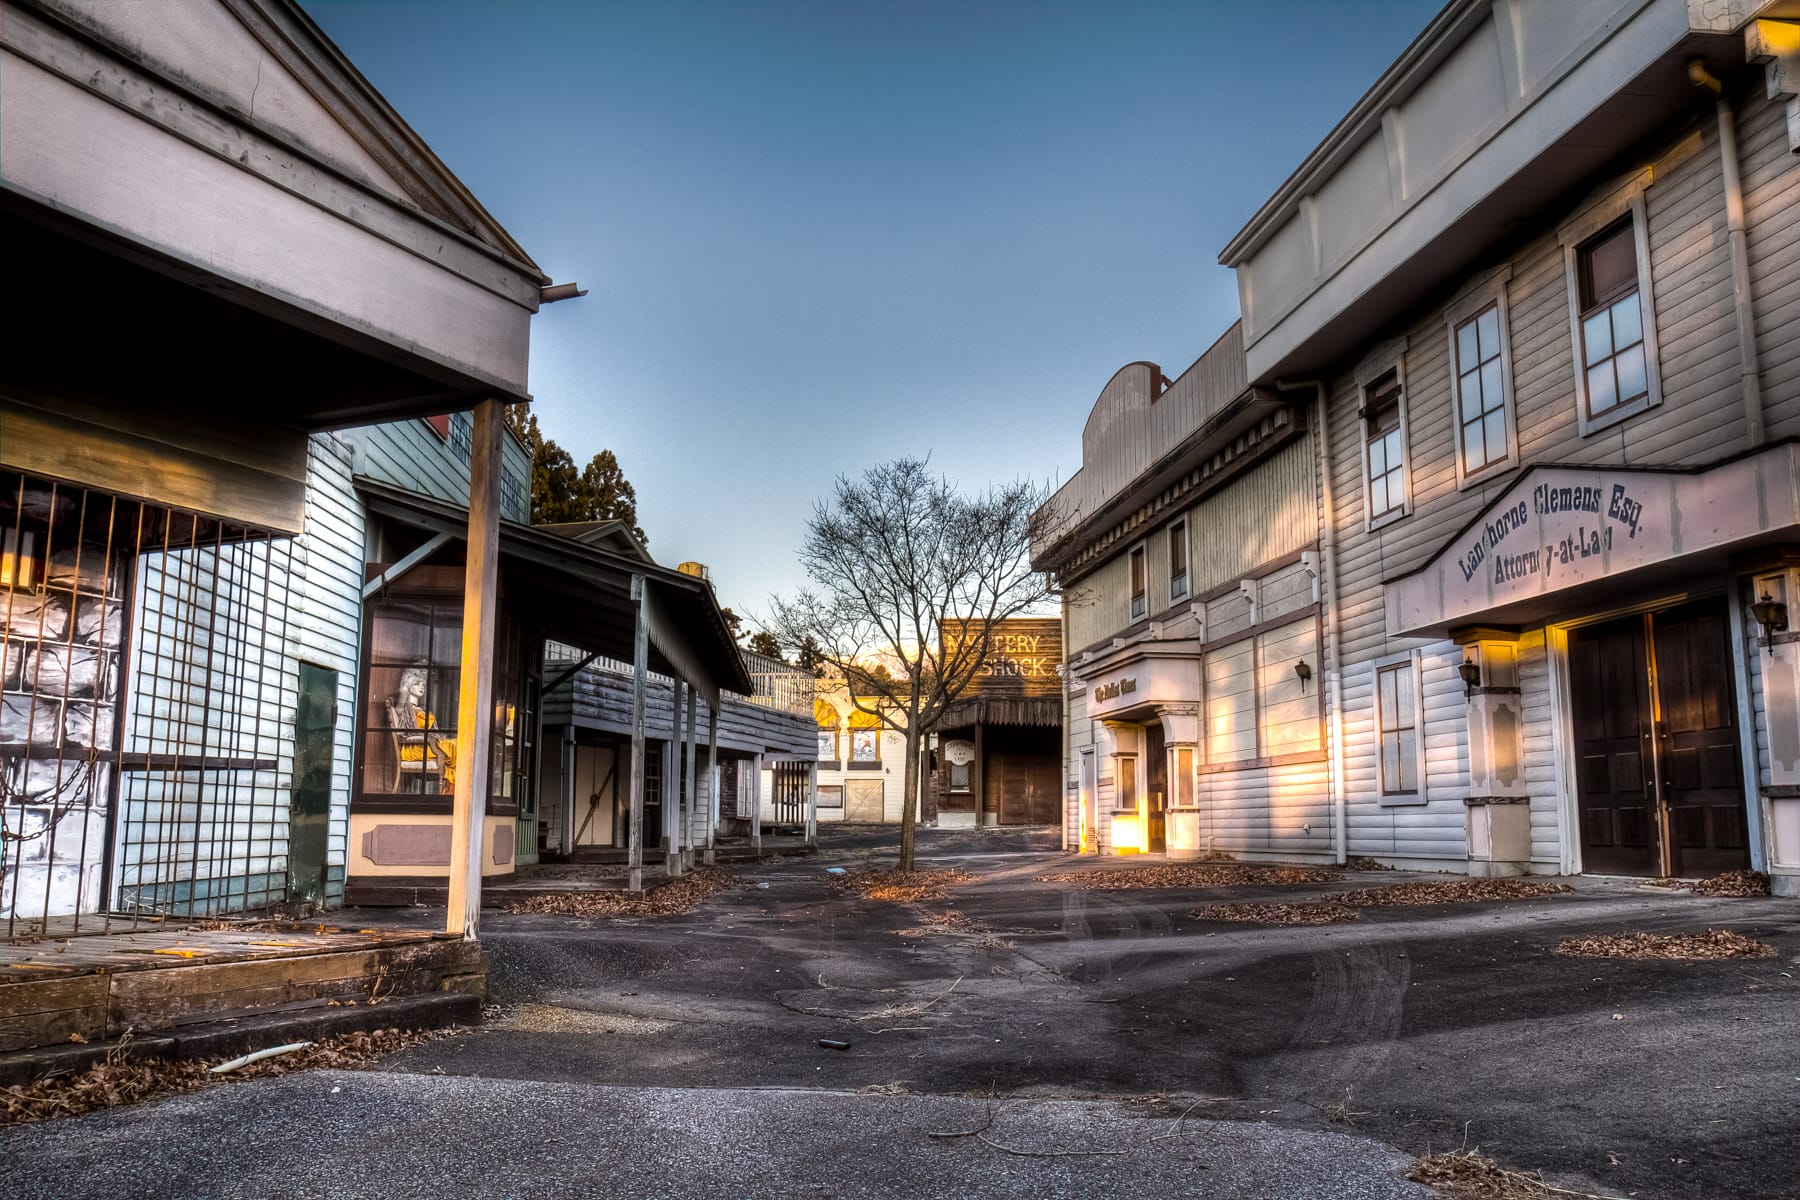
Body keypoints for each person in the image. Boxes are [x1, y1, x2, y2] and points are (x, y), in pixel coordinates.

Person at [390, 665, 455, 793]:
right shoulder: (403, 707)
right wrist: (407, 684)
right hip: (414, 748)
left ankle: (451, 794)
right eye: (417, 683)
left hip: (430, 746)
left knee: (458, 747)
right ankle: (448, 795)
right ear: (409, 684)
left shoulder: (424, 710)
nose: (421, 687)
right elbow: (402, 691)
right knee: (456, 747)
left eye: (423, 684)